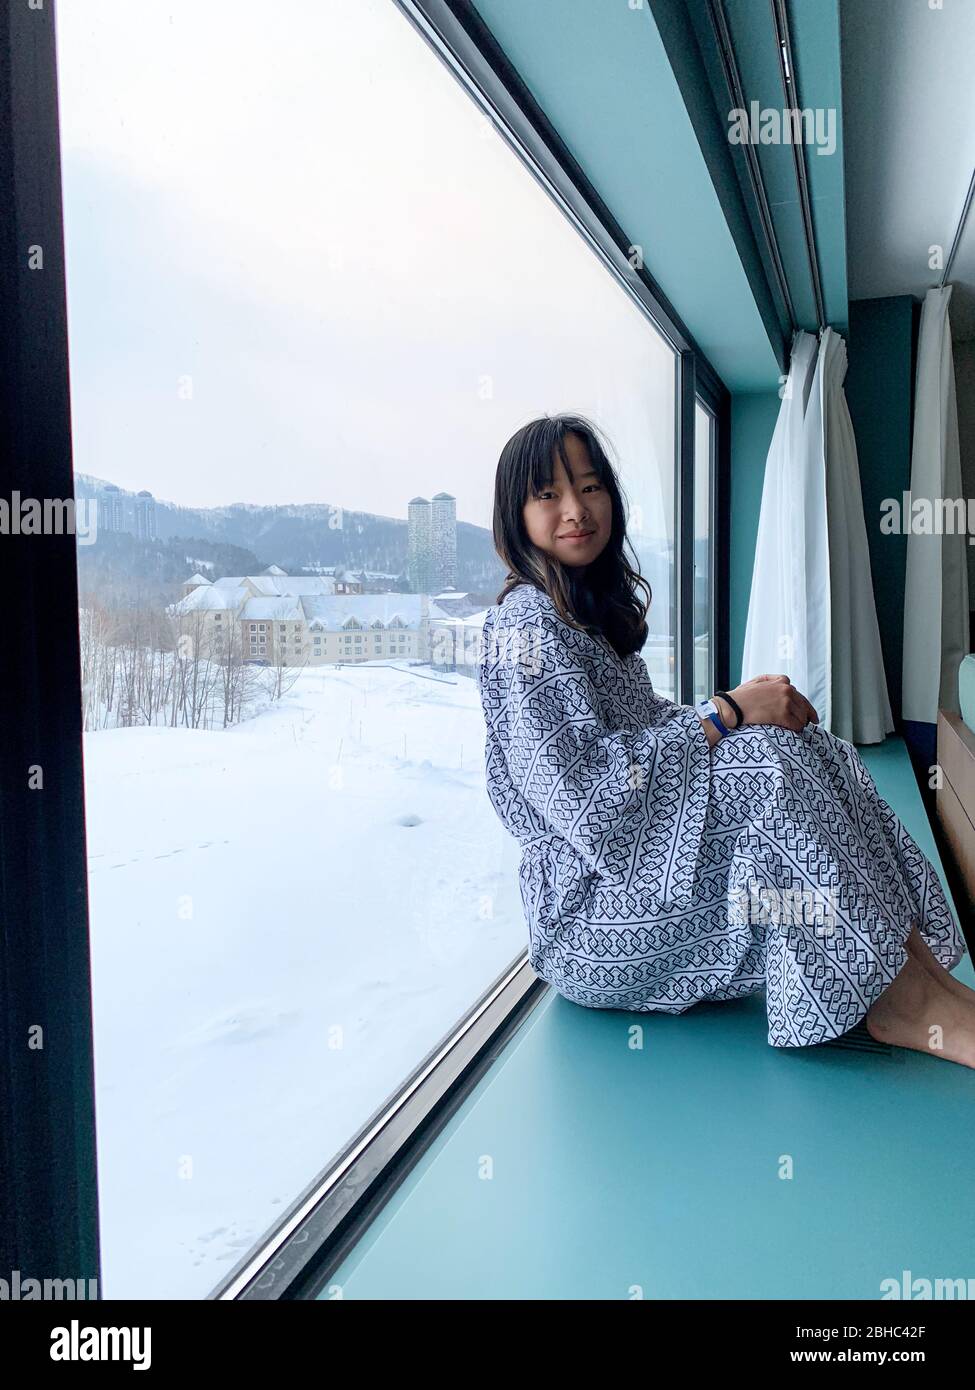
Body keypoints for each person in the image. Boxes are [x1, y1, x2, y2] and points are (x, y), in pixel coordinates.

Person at [476, 412, 974, 1064]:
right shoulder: (525, 629)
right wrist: (725, 713)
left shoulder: (582, 614)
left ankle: (916, 977)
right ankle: (897, 1001)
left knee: (802, 745)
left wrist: (744, 706)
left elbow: (648, 727)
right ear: (515, 513)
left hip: (635, 883)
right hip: (586, 923)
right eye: (547, 493)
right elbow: (589, 803)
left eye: (590, 487)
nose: (575, 509)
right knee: (763, 764)